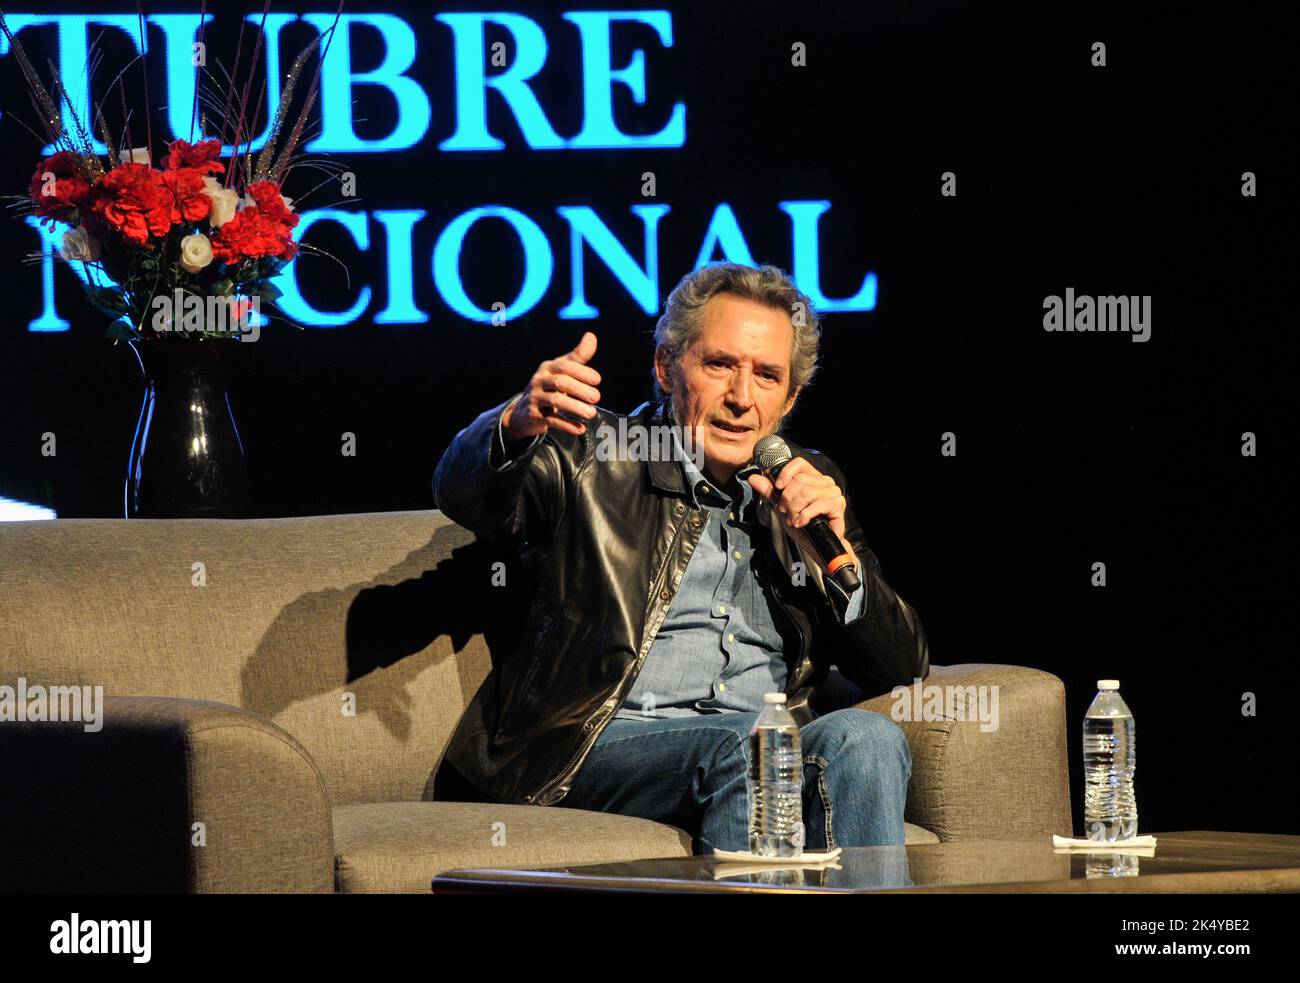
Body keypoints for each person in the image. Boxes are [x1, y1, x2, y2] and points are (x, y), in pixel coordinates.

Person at [432, 262, 929, 852]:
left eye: (767, 376)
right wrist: (512, 425)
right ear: (667, 368)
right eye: (720, 365)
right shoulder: (592, 455)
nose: (741, 398)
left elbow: (903, 670)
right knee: (750, 748)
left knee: (867, 737)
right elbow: (464, 494)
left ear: (789, 399)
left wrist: (832, 559)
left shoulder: (809, 485)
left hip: (758, 745)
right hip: (594, 745)